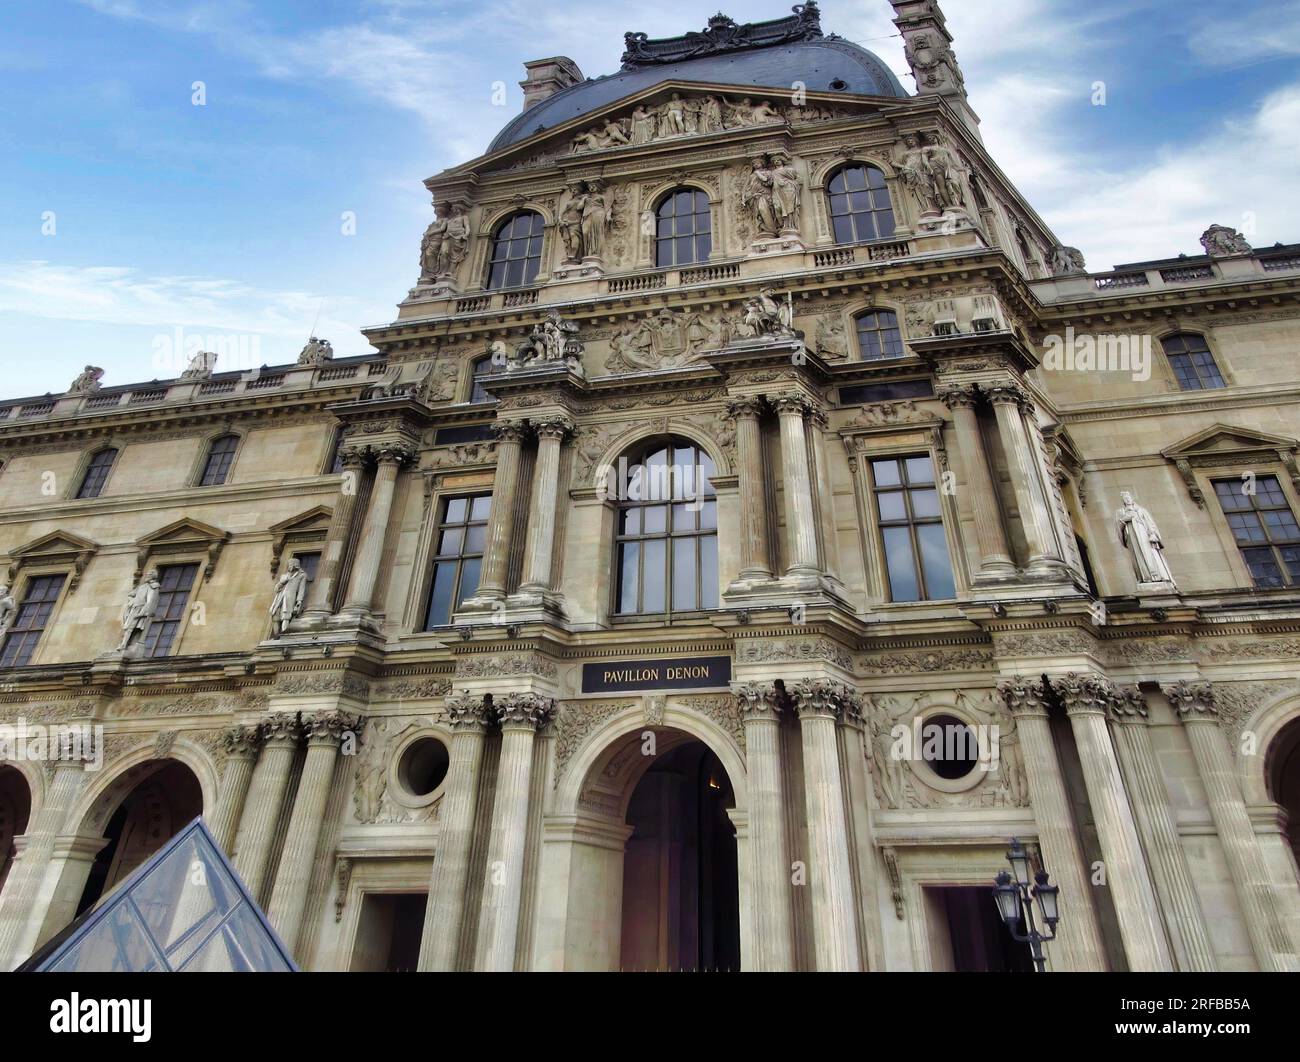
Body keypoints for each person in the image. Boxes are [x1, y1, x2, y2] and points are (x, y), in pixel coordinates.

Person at [117, 570, 161, 653]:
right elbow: (131, 595)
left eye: (149, 575)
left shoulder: (154, 586)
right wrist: (131, 602)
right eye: (147, 575)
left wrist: (142, 613)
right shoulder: (142, 586)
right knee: (127, 627)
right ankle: (123, 644)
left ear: (153, 576)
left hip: (140, 609)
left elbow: (150, 601)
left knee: (129, 628)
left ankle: (123, 645)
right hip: (133, 608)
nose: (146, 576)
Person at [269, 558, 309, 638]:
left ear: (296, 565)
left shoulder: (302, 575)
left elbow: (301, 589)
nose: (289, 566)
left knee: (286, 617)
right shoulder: (284, 576)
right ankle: (276, 636)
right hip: (280, 597)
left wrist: (299, 601)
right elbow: (276, 589)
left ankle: (284, 636)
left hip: (290, 598)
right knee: (275, 616)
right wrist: (281, 582)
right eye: (289, 564)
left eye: (291, 564)